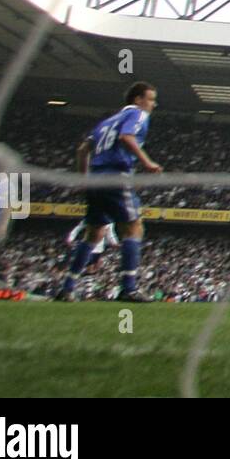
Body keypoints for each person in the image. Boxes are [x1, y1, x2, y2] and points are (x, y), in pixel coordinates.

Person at [56, 82, 162, 302]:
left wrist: (84, 179)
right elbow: (126, 137)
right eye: (151, 99)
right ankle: (128, 288)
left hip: (95, 179)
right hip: (115, 176)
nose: (154, 104)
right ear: (137, 100)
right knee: (133, 227)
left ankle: (67, 288)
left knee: (94, 233)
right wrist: (148, 163)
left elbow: (83, 149)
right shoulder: (138, 115)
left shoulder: (106, 122)